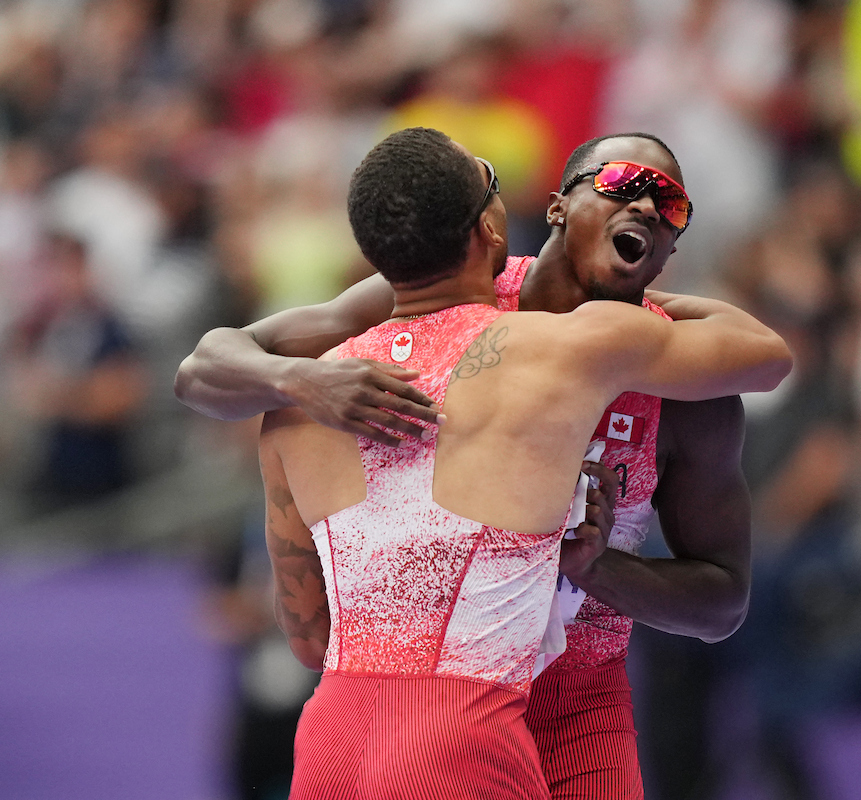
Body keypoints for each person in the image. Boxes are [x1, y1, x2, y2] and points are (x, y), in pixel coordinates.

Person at [176, 131, 792, 797]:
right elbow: (206, 366)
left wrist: (596, 566)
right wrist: (303, 380)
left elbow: (722, 604)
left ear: (675, 241)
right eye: (620, 183)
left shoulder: (678, 380)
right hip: (453, 703)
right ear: (556, 206)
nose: (645, 205)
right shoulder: (449, 293)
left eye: (671, 203)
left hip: (572, 706)